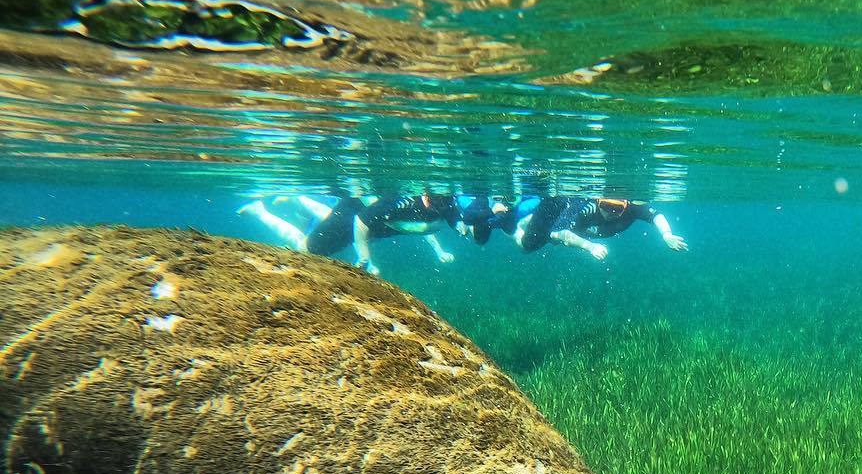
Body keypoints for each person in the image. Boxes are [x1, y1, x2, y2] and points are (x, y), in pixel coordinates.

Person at [240, 192, 506, 276]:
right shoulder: (403, 201)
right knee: (306, 248)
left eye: (444, 201)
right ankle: (259, 211)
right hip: (354, 218)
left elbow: (442, 226)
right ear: (424, 194)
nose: (440, 205)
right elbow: (361, 223)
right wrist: (365, 258)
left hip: (366, 221)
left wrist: (489, 214)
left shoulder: (445, 204)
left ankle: (298, 200)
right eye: (433, 200)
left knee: (326, 220)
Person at [504, 195, 688, 260]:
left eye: (617, 208)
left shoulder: (632, 210)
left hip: (571, 232)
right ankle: (511, 224)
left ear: (625, 205)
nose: (611, 212)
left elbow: (656, 215)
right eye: (606, 206)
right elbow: (562, 233)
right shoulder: (586, 209)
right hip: (558, 222)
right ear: (598, 202)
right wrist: (590, 247)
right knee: (526, 246)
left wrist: (667, 235)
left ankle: (525, 218)